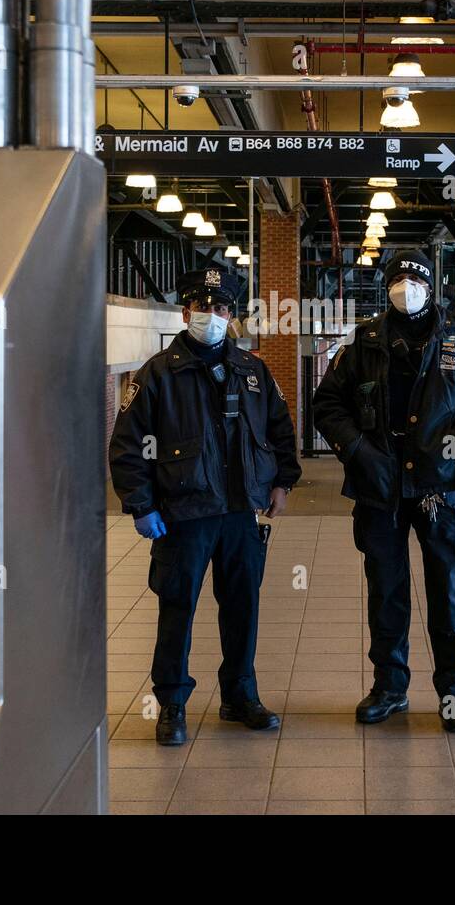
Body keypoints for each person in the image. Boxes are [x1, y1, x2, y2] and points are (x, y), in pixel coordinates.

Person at [313, 249, 455, 733]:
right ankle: (389, 687)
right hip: (379, 488)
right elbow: (327, 403)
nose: (407, 286)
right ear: (387, 287)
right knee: (387, 592)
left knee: (449, 592)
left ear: (431, 284)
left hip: (440, 487)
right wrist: (357, 450)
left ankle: (454, 694)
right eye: (397, 278)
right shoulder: (365, 341)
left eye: (415, 278)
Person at [109, 266, 301, 746]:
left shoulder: (253, 370)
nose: (211, 317)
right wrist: (141, 505)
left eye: (220, 309)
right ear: (186, 311)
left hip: (240, 512)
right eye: (202, 308)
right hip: (183, 514)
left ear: (231, 315)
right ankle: (171, 704)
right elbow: (127, 446)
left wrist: (283, 483)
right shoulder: (158, 373)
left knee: (243, 608)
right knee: (178, 608)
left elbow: (280, 429)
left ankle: (239, 696)